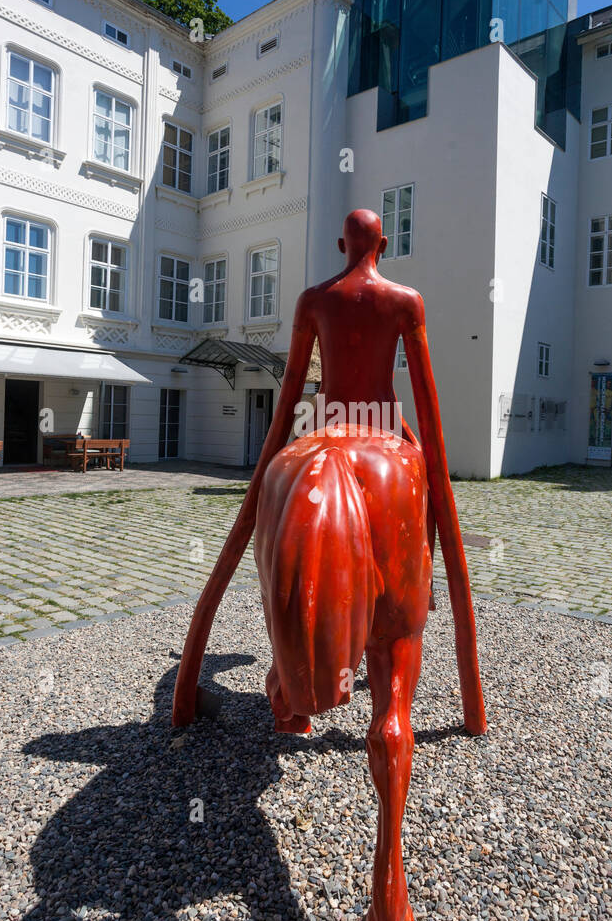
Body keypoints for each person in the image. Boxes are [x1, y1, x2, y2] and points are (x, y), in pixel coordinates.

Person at [172, 208, 486, 737]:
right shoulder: (405, 300)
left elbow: (292, 386)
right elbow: (427, 405)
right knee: (421, 509)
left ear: (342, 245)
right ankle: (423, 595)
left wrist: (268, 466)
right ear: (382, 245)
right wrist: (435, 471)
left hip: (327, 423)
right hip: (382, 423)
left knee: (280, 520)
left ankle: (288, 698)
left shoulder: (314, 300)